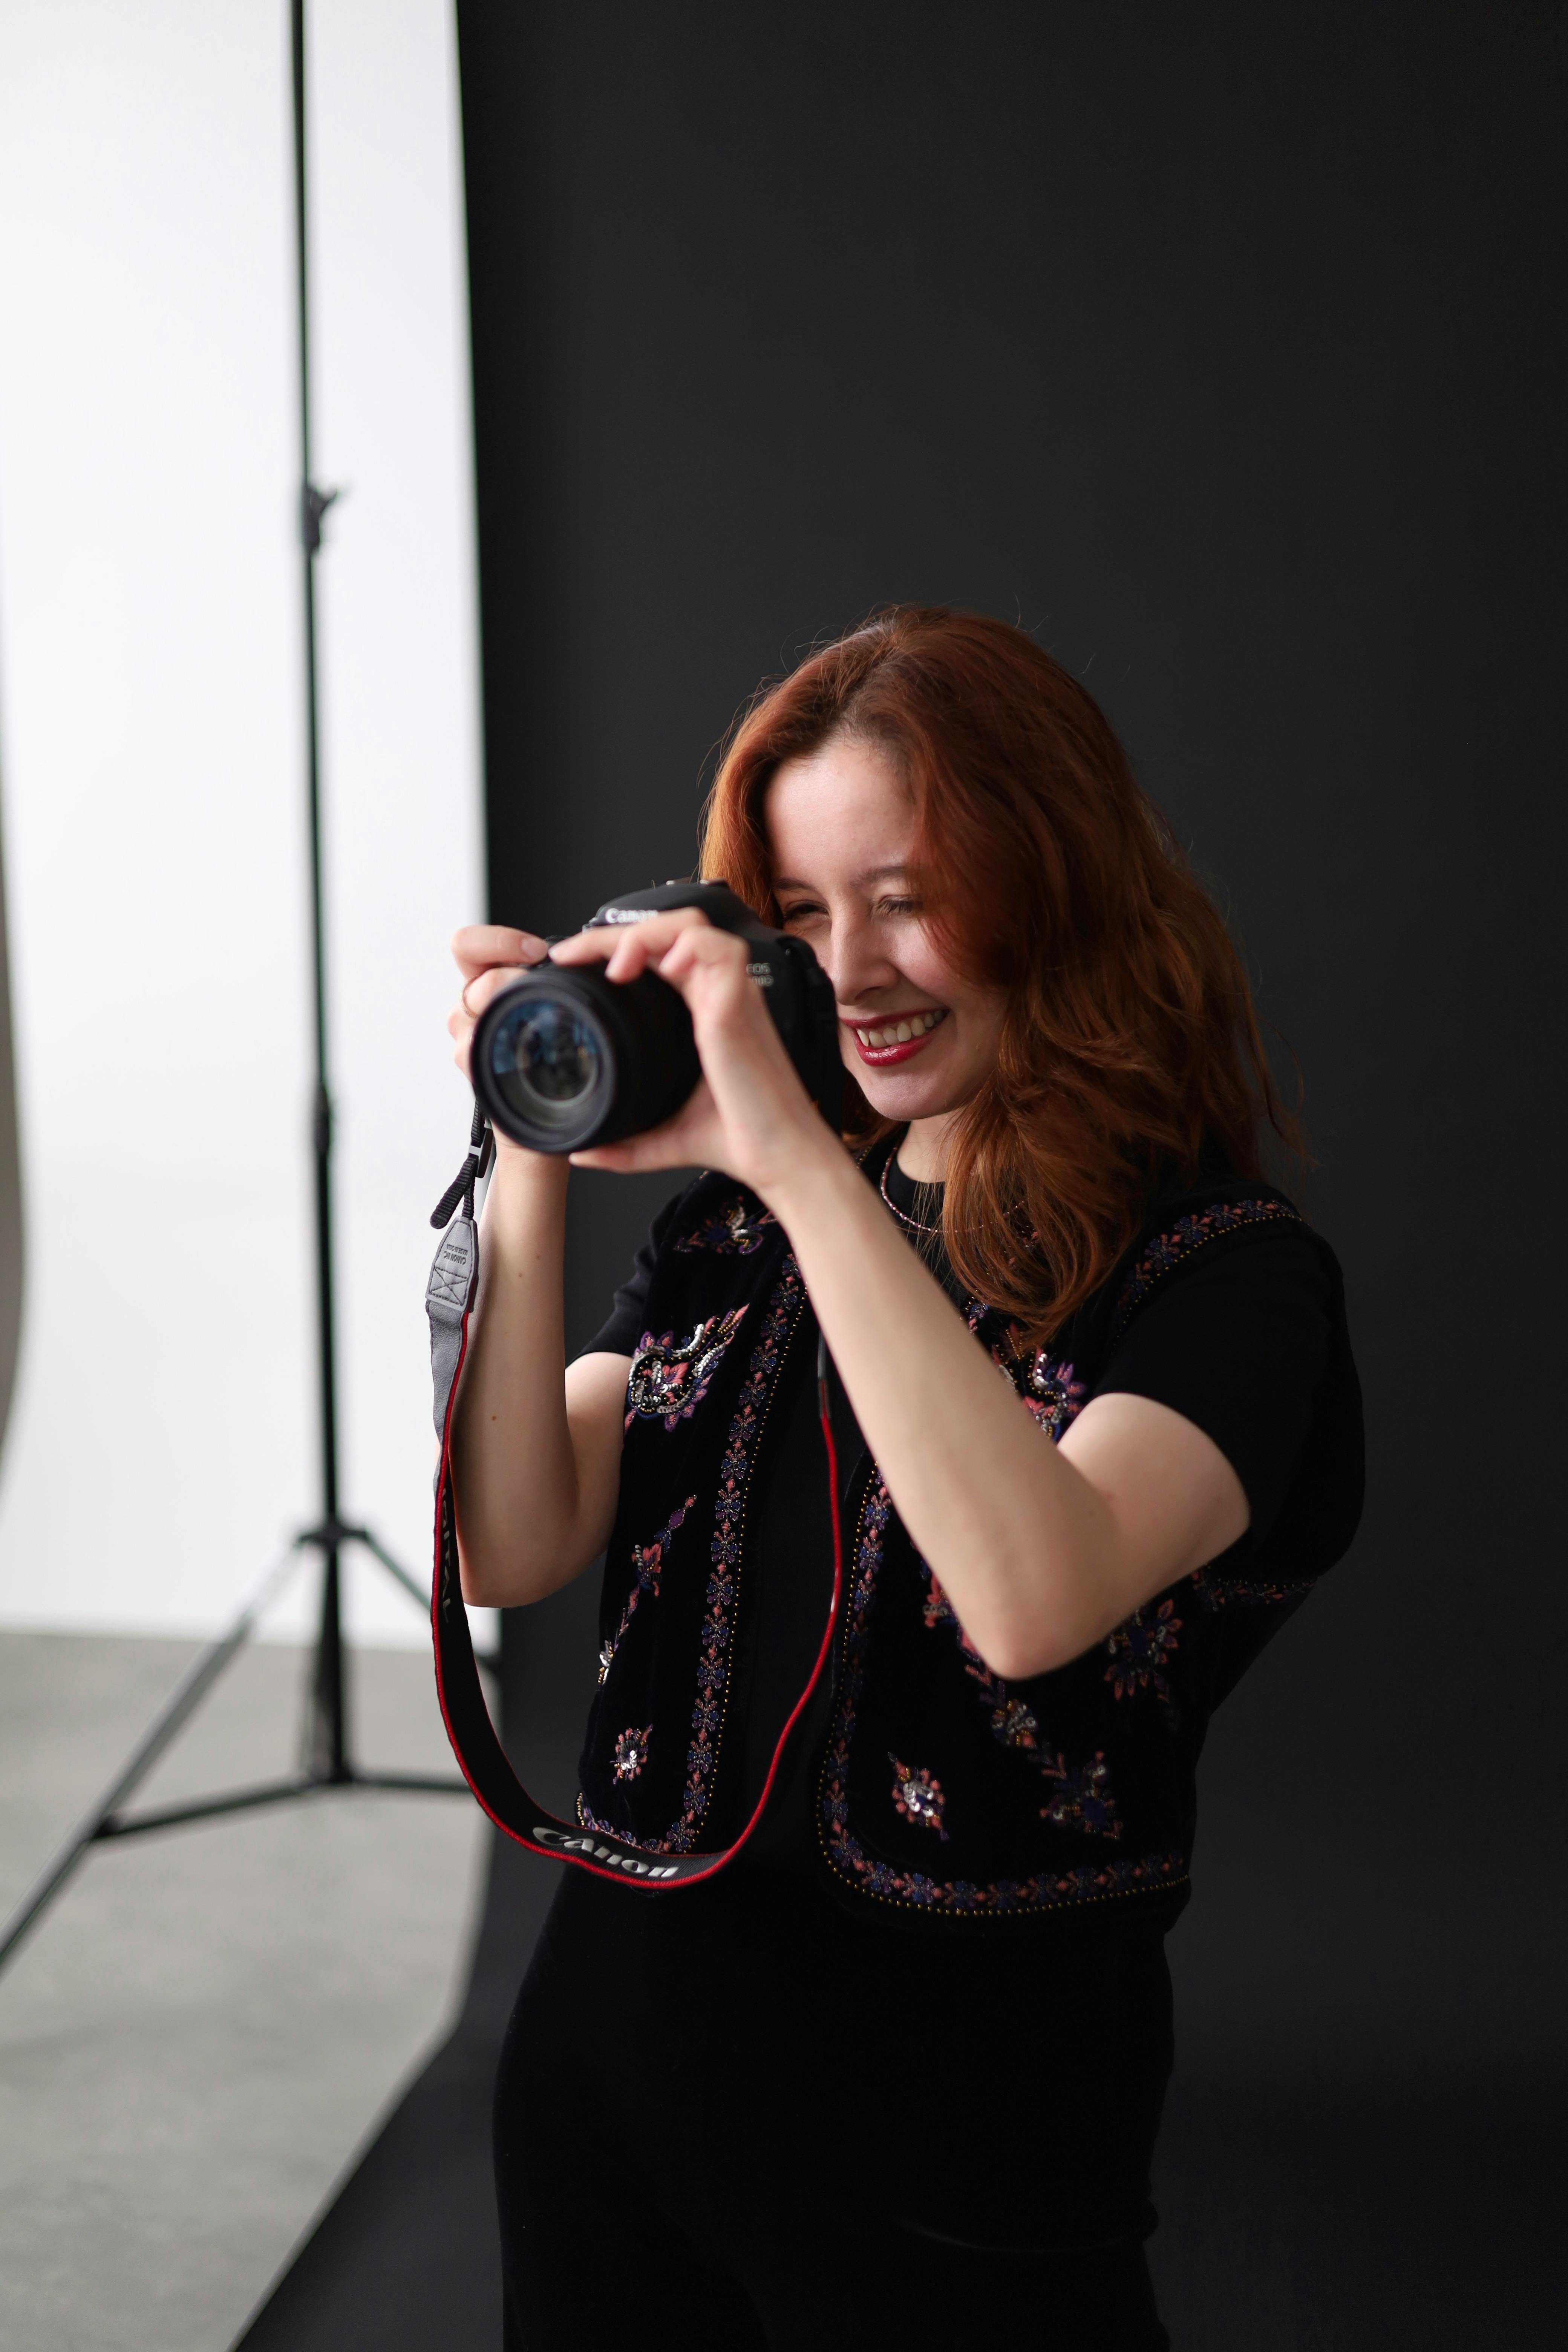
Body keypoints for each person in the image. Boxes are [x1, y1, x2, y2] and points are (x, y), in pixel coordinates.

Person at [445, 608, 1362, 2351]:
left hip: (963, 2141)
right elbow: (512, 1542)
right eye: (797, 913)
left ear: (1052, 881)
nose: (850, 969)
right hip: (602, 2083)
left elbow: (1033, 1594)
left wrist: (797, 1167)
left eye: (905, 895)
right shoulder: (732, 1229)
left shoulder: (1221, 1280)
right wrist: (530, 1160)